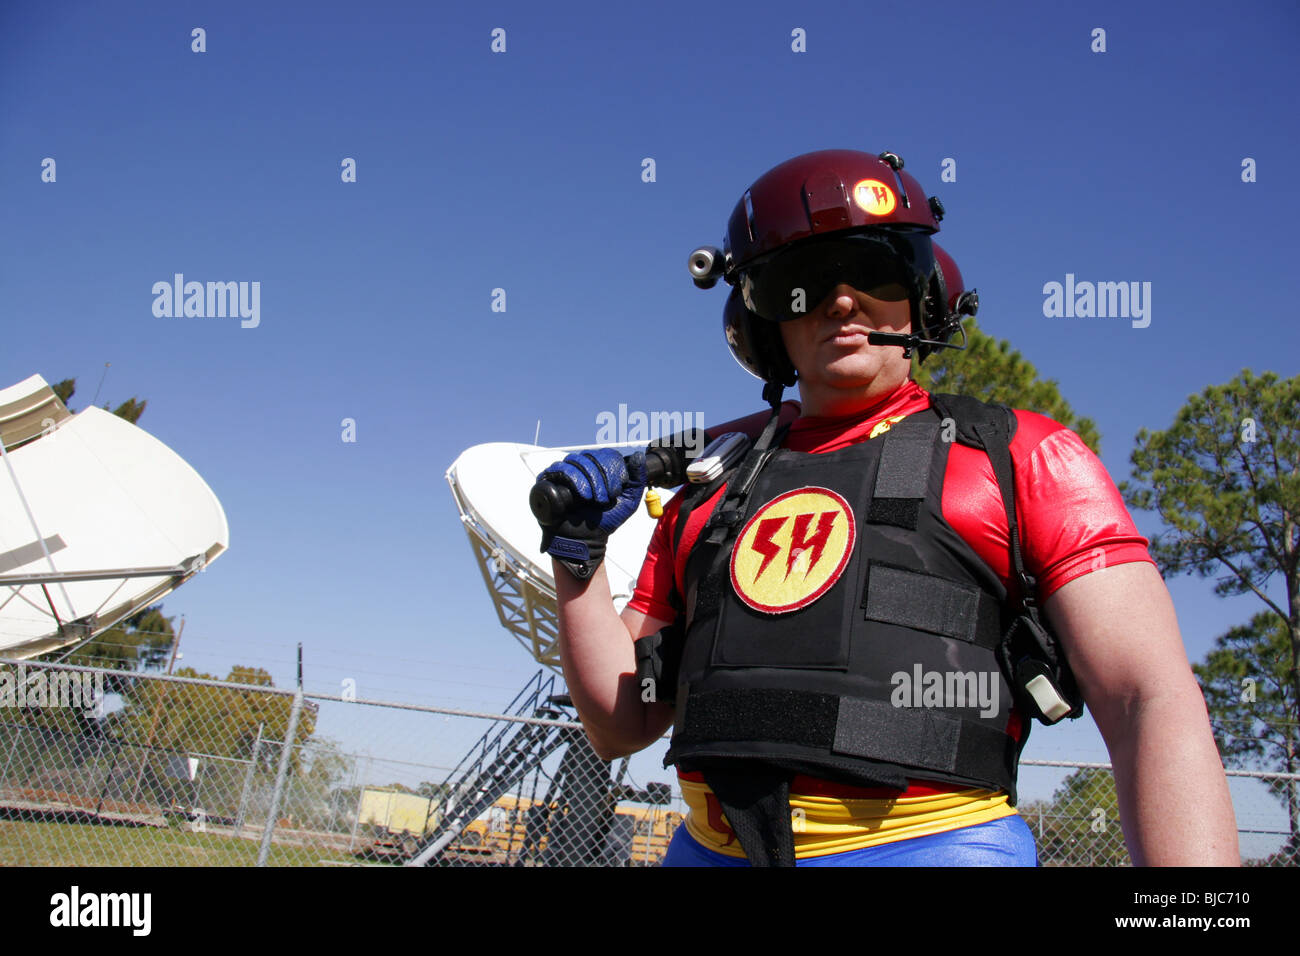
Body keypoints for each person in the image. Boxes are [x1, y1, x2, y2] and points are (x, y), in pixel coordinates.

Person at [537, 149, 1238, 866]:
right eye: (801, 282)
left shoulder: (1022, 454)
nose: (840, 301)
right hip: (705, 850)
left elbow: (1146, 699)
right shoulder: (708, 490)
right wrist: (578, 561)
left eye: (872, 270)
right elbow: (622, 726)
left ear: (924, 296)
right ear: (763, 319)